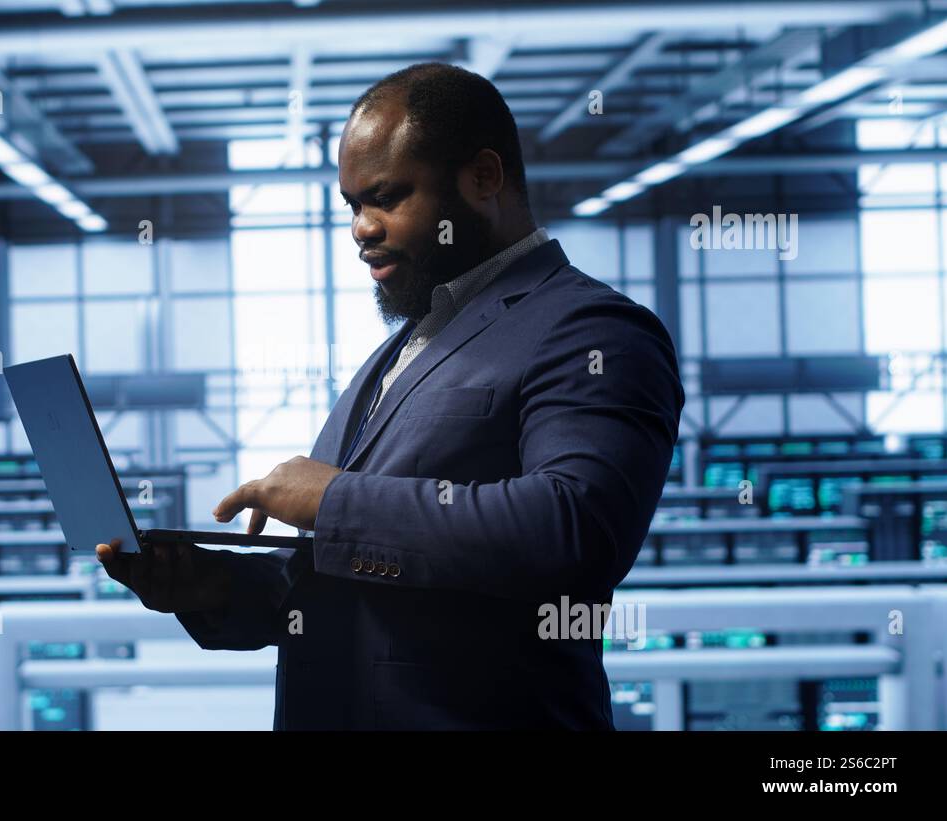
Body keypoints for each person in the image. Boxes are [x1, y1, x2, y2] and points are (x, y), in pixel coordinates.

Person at [97, 61, 685, 730]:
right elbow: (342, 577)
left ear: (484, 178)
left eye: (387, 196)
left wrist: (332, 498)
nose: (361, 228)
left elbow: (577, 528)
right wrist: (214, 588)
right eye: (352, 204)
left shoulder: (592, 328)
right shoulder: (404, 347)